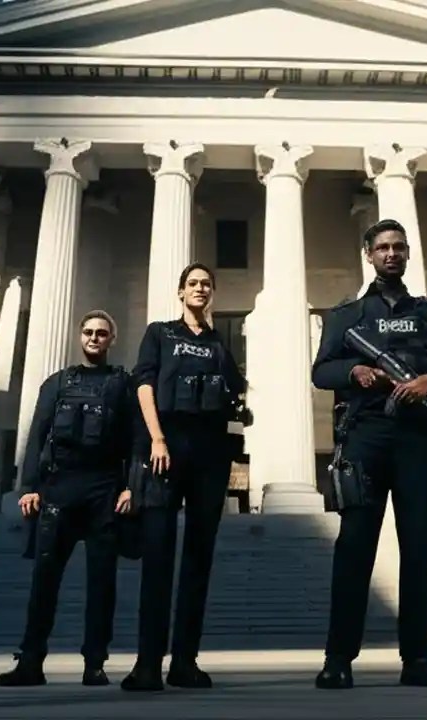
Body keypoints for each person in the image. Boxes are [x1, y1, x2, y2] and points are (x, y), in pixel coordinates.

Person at [309, 218, 427, 690]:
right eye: (382, 247)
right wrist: (355, 369)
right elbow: (321, 371)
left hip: (420, 439)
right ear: (368, 253)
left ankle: (417, 659)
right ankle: (338, 658)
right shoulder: (347, 316)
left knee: (418, 550)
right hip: (367, 436)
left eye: (399, 247)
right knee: (354, 547)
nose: (392, 254)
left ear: (407, 254)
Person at [120, 262, 247, 692]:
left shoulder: (218, 344)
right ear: (180, 292)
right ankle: (147, 665)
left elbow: (237, 399)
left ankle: (185, 662)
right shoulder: (160, 333)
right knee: (158, 556)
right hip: (166, 449)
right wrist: (156, 438)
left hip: (209, 456)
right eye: (192, 284)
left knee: (198, 559)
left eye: (206, 284)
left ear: (212, 294)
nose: (200, 289)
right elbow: (144, 385)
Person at [0, 310, 136, 688]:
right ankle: (30, 661)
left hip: (103, 489)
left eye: (101, 333)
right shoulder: (56, 383)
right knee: (44, 580)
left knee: (102, 582)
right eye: (89, 332)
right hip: (59, 488)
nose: (94, 338)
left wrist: (131, 487)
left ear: (111, 340)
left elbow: (135, 441)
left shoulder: (123, 384)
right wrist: (28, 488)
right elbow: (36, 434)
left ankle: (95, 663)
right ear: (80, 337)